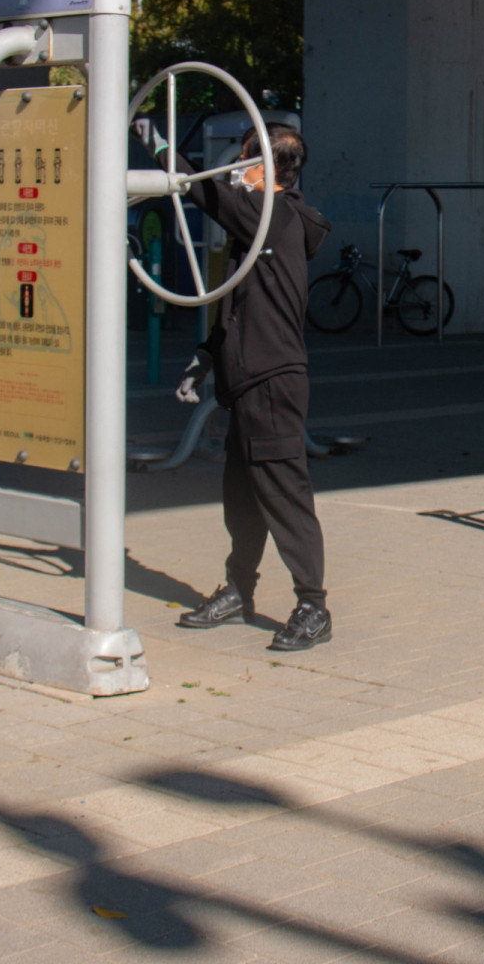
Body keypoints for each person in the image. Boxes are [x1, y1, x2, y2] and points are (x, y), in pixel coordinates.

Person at [144, 119, 335, 651]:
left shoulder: (273, 215)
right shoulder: (262, 226)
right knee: (243, 496)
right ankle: (239, 589)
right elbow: (243, 305)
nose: (234, 169)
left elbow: (201, 189)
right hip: (249, 381)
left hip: (272, 383)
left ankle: (313, 606)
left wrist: (155, 142)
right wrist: (207, 356)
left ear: (264, 167)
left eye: (244, 159)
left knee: (284, 493)